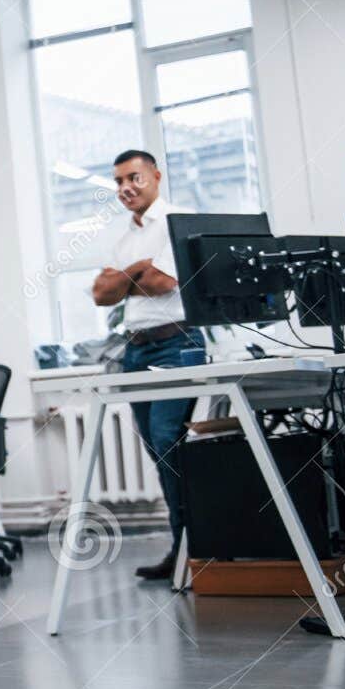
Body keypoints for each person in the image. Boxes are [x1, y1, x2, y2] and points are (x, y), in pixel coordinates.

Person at [91, 149, 204, 580]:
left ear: (156, 175)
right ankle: (183, 548)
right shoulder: (125, 239)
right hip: (136, 351)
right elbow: (101, 294)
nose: (125, 188)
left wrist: (128, 278)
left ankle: (195, 548)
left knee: (167, 440)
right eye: (118, 181)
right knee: (159, 451)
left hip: (176, 344)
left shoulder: (177, 221)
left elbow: (162, 282)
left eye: (133, 178)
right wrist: (138, 268)